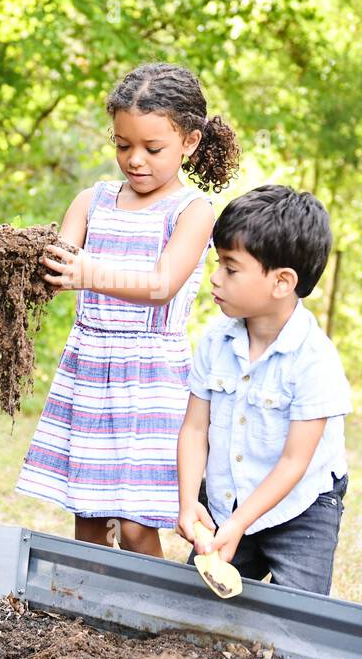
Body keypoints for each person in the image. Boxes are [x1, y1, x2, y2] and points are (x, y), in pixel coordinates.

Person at [14, 61, 240, 557]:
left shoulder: (192, 211)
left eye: (152, 148)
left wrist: (85, 273)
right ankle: (88, 622)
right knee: (90, 514)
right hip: (90, 368)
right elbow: (60, 263)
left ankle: (150, 621)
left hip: (152, 377)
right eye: (122, 145)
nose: (135, 160)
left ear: (190, 143)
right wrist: (23, 264)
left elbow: (161, 284)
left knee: (138, 523)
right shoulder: (91, 201)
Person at [177, 185, 351, 594]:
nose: (215, 278)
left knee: (299, 619)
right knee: (195, 607)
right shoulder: (216, 342)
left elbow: (294, 463)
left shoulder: (314, 361)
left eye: (231, 268)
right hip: (227, 496)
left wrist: (239, 524)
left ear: (281, 282)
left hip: (301, 507)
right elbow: (194, 430)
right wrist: (189, 503)